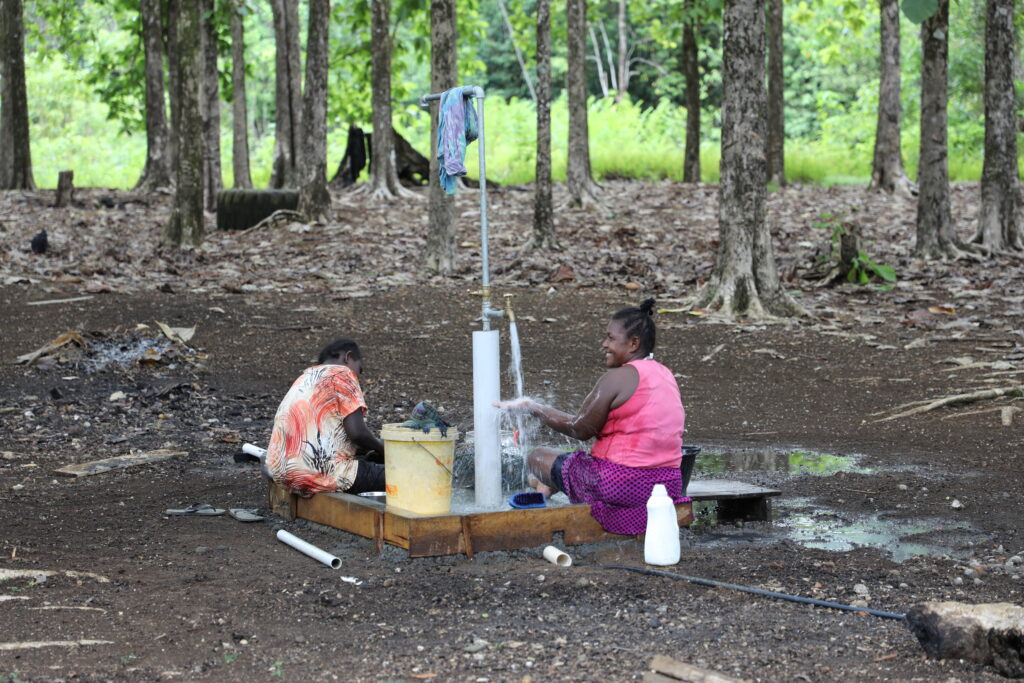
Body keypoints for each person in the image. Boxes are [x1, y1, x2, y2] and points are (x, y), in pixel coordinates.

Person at [497, 299, 687, 534]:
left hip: (622, 486)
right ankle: (545, 488)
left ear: (633, 343)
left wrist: (533, 407)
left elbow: (580, 429)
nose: (605, 344)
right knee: (570, 465)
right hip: (668, 485)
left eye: (610, 338)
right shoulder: (665, 374)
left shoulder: (618, 378)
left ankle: (544, 484)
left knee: (537, 457)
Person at [265, 338, 386, 497]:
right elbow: (357, 433)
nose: (358, 375)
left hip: (280, 473)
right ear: (348, 357)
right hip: (318, 472)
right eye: (359, 369)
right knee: (402, 475)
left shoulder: (303, 379)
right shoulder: (342, 374)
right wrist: (382, 448)